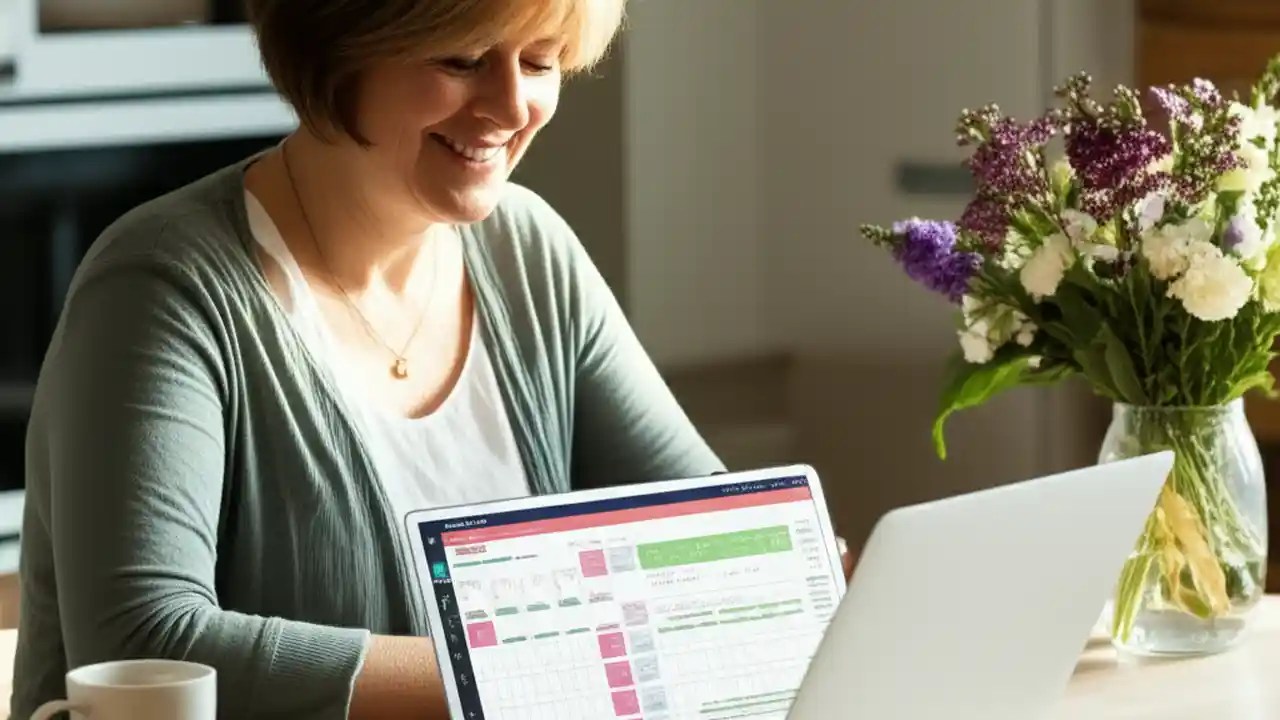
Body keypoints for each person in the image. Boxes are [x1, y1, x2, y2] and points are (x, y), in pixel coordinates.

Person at [10, 0, 854, 717]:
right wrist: (527, 668)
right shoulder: (165, 285)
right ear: (339, 46)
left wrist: (792, 581)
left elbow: (712, 538)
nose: (512, 103)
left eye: (543, 59)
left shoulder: (533, 254)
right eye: (461, 59)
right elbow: (144, 646)